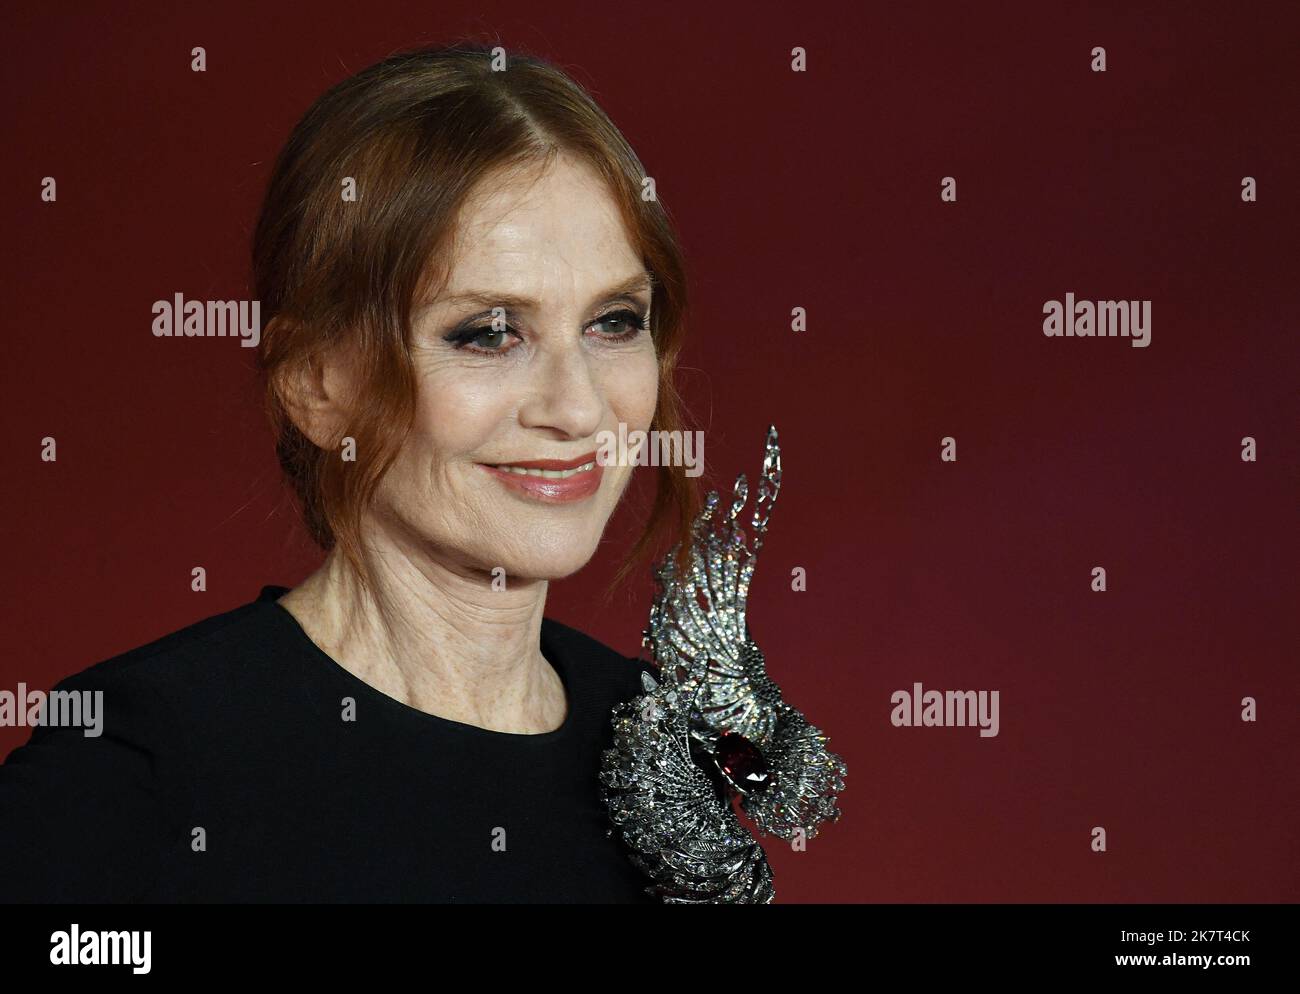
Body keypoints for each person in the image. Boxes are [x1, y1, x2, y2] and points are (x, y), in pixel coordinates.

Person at [0, 41, 705, 903]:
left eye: (614, 322)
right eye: (487, 331)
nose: (579, 407)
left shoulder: (665, 742)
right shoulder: (138, 763)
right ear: (316, 384)